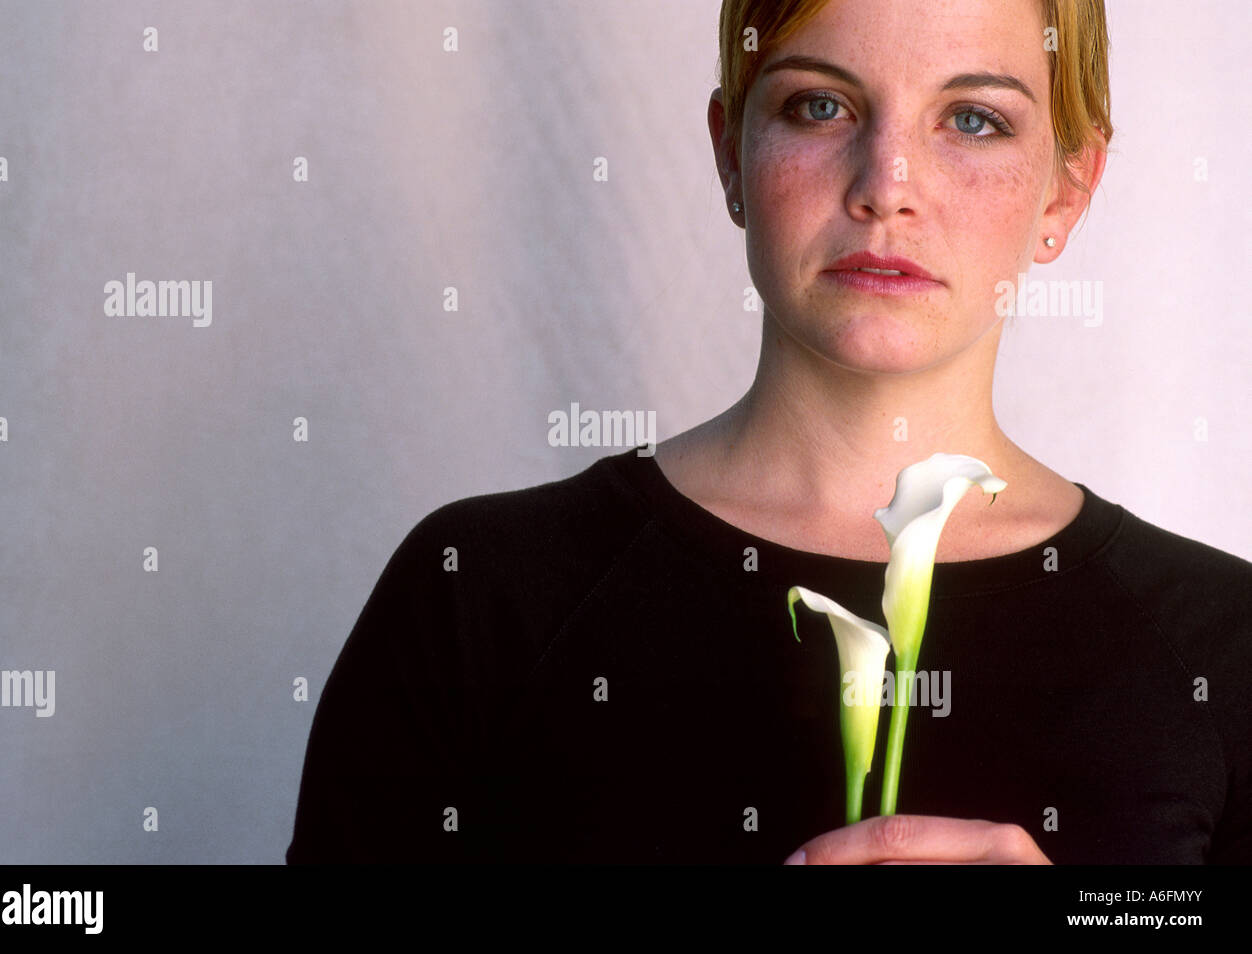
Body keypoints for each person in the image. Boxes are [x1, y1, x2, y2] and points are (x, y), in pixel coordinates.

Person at [286, 0, 1251, 864]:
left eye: (973, 119)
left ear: (1065, 192)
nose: (887, 186)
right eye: (819, 106)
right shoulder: (476, 594)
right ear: (728, 154)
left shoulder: (1221, 644)